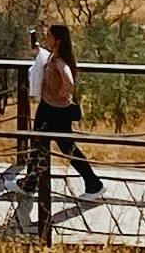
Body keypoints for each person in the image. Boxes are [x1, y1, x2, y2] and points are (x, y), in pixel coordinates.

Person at [24, 21, 104, 200]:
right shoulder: (55, 56)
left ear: (57, 40)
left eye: (49, 36)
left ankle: (94, 183)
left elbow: (68, 80)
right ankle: (30, 183)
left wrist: (61, 94)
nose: (47, 39)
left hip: (54, 110)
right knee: (45, 145)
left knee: (58, 146)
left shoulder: (60, 61)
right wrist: (37, 50)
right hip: (50, 108)